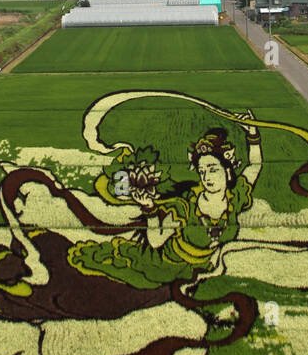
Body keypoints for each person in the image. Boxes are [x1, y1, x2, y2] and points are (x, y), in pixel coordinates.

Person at [68, 114, 262, 290]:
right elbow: (155, 240)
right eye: (202, 172)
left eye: (212, 169)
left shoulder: (234, 198)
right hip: (167, 266)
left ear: (228, 172)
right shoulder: (186, 206)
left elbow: (255, 167)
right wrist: (149, 209)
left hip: (200, 268)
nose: (207, 177)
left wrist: (253, 134)